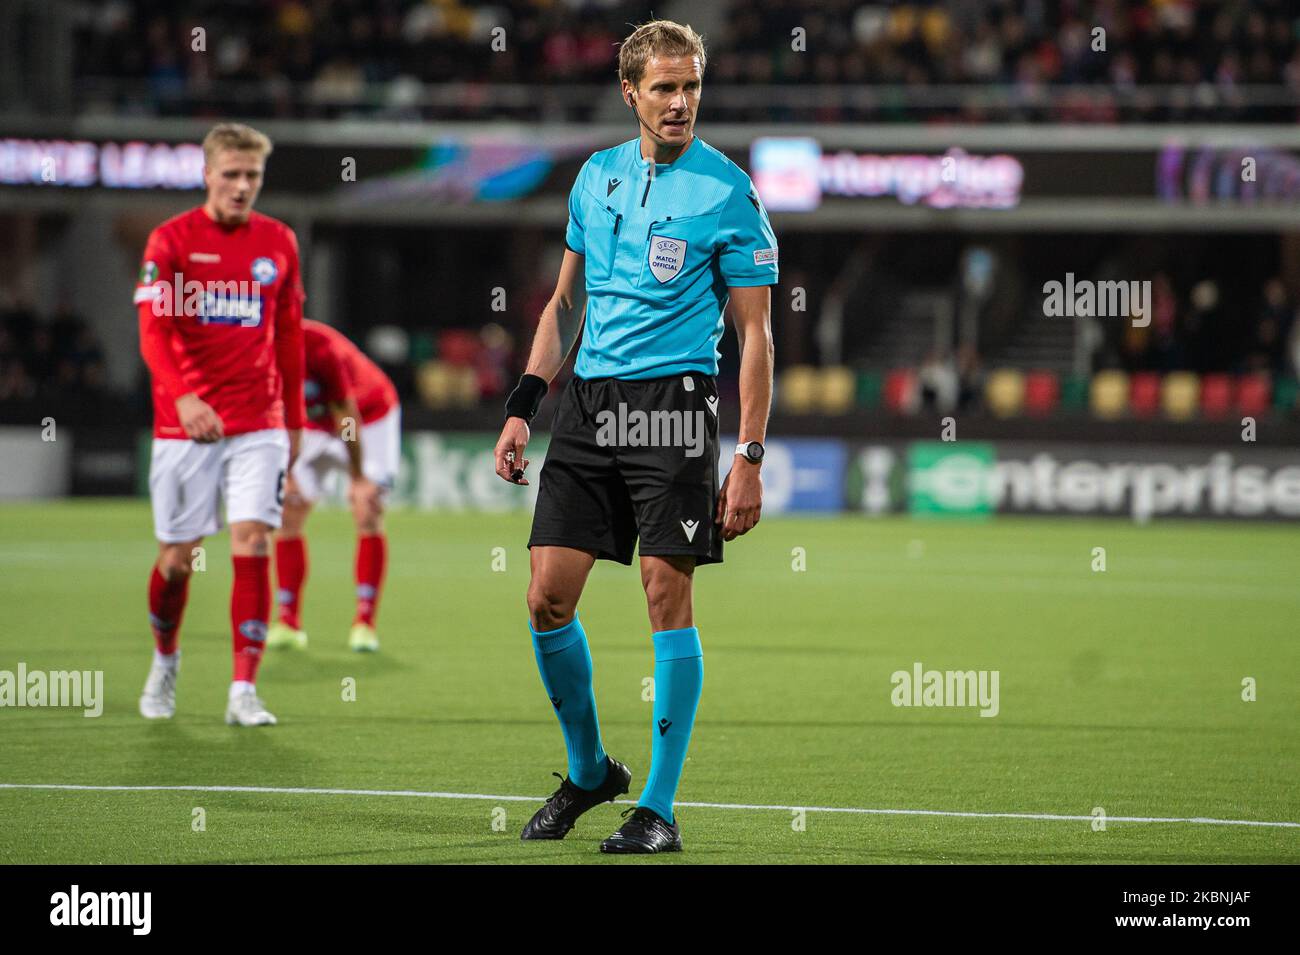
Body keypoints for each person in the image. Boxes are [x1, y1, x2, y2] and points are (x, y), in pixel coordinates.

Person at [493, 20, 778, 854]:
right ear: (630, 93)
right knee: (547, 596)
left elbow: (757, 336)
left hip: (675, 406)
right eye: (664, 87)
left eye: (691, 86)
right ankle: (589, 771)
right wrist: (524, 401)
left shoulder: (729, 191)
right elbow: (563, 305)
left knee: (665, 592)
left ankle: (656, 805)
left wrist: (751, 457)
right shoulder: (595, 178)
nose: (681, 101)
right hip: (586, 406)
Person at [135, 122, 306, 727]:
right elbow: (153, 332)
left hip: (258, 420)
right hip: (184, 427)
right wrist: (182, 398)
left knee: (253, 539)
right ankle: (165, 658)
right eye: (230, 175)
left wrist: (296, 422)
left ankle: (243, 689)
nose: (241, 187)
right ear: (207, 174)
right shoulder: (171, 242)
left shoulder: (278, 242)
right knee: (177, 560)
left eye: (252, 176)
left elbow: (288, 337)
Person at [268, 319, 399, 653]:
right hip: (311, 422)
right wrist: (288, 471)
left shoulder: (321, 348)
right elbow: (271, 411)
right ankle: (288, 621)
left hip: (368, 416)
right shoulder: (255, 347)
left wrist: (357, 477)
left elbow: (346, 415)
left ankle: (365, 624)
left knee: (366, 508)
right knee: (287, 511)